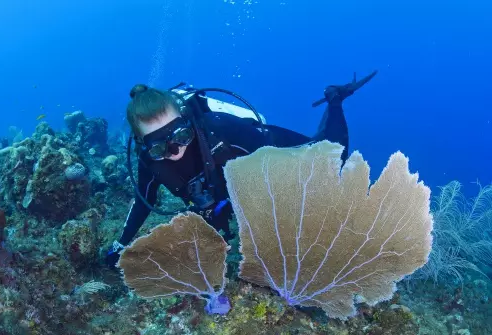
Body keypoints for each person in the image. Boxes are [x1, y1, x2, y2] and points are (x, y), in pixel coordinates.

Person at [106, 71, 378, 266]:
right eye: (159, 147)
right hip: (223, 189)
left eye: (180, 136)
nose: (175, 150)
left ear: (187, 121)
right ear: (143, 144)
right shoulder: (149, 163)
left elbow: (274, 162)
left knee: (331, 157)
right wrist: (121, 244)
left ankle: (335, 99)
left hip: (261, 149)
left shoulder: (219, 129)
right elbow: (144, 202)